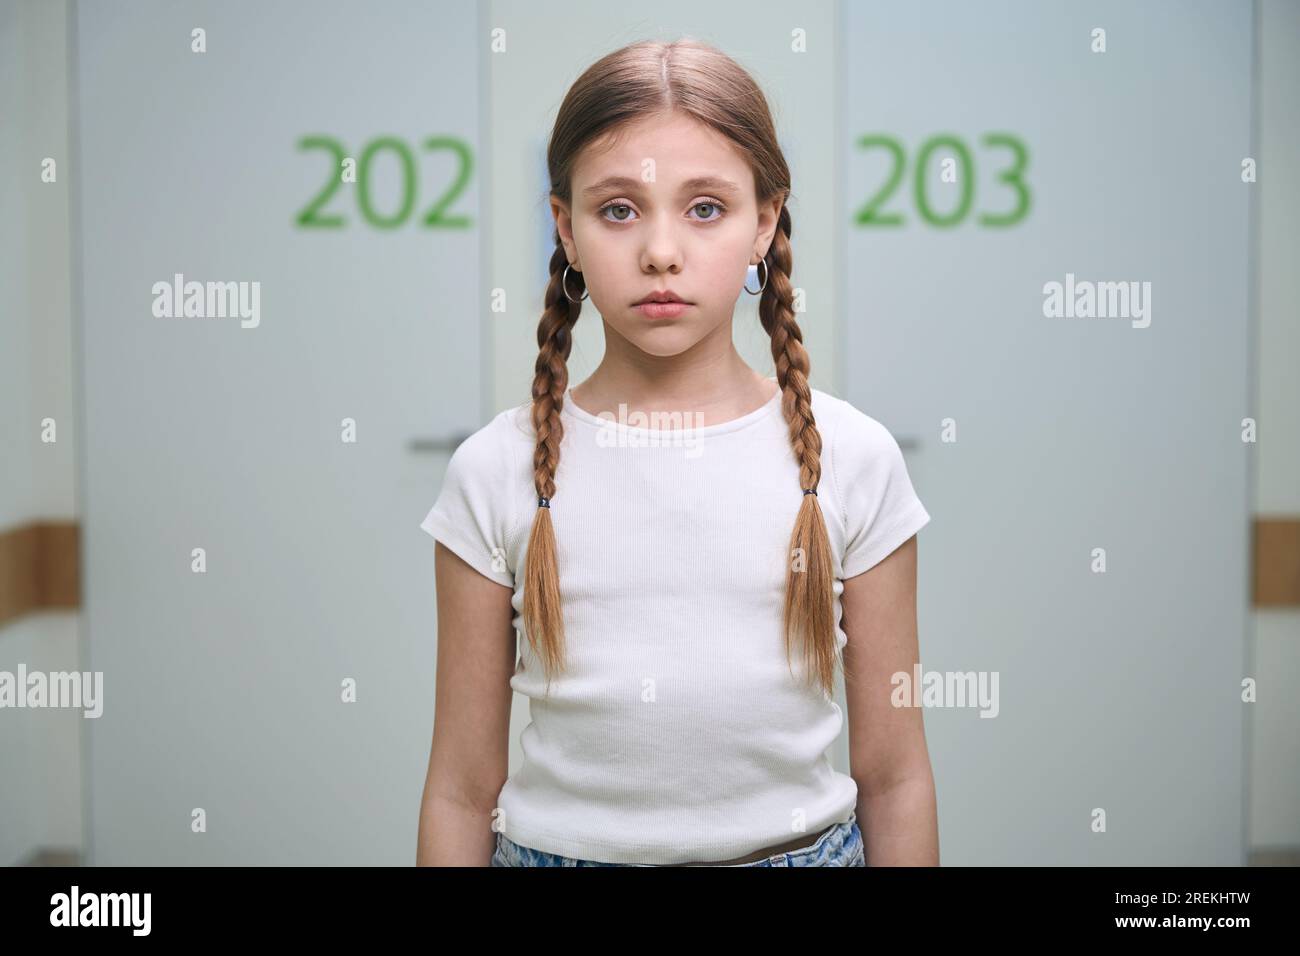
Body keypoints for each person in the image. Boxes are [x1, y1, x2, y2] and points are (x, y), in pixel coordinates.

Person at [415, 37, 936, 867]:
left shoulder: (854, 459)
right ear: (566, 228)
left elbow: (897, 777)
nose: (661, 251)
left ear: (764, 222)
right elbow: (460, 790)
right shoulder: (494, 471)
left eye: (705, 208)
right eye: (619, 210)